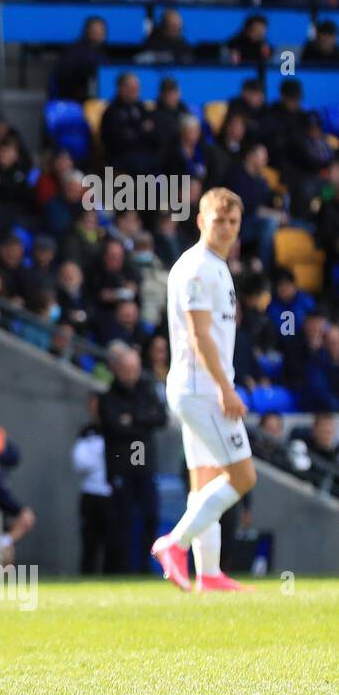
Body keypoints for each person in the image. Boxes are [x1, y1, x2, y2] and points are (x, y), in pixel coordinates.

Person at [150, 188, 256, 592]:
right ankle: (173, 544)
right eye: (218, 220)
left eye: (232, 222)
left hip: (197, 387)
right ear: (200, 221)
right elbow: (198, 334)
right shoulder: (197, 267)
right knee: (242, 476)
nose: (226, 228)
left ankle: (208, 573)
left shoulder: (215, 266)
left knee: (205, 480)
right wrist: (226, 388)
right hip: (202, 389)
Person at [99, 344, 167, 571]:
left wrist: (133, 419)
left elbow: (160, 418)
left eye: (135, 369)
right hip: (121, 466)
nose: (132, 374)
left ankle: (145, 567)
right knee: (122, 520)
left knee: (151, 515)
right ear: (118, 369)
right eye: (128, 369)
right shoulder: (108, 396)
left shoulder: (146, 390)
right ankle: (123, 569)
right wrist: (141, 422)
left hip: (145, 466)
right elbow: (115, 426)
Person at [72, 394, 113, 574]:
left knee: (114, 542)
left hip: (113, 492)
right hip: (91, 492)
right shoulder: (87, 431)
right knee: (89, 541)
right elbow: (80, 462)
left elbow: (134, 456)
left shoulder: (117, 430)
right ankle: (86, 575)